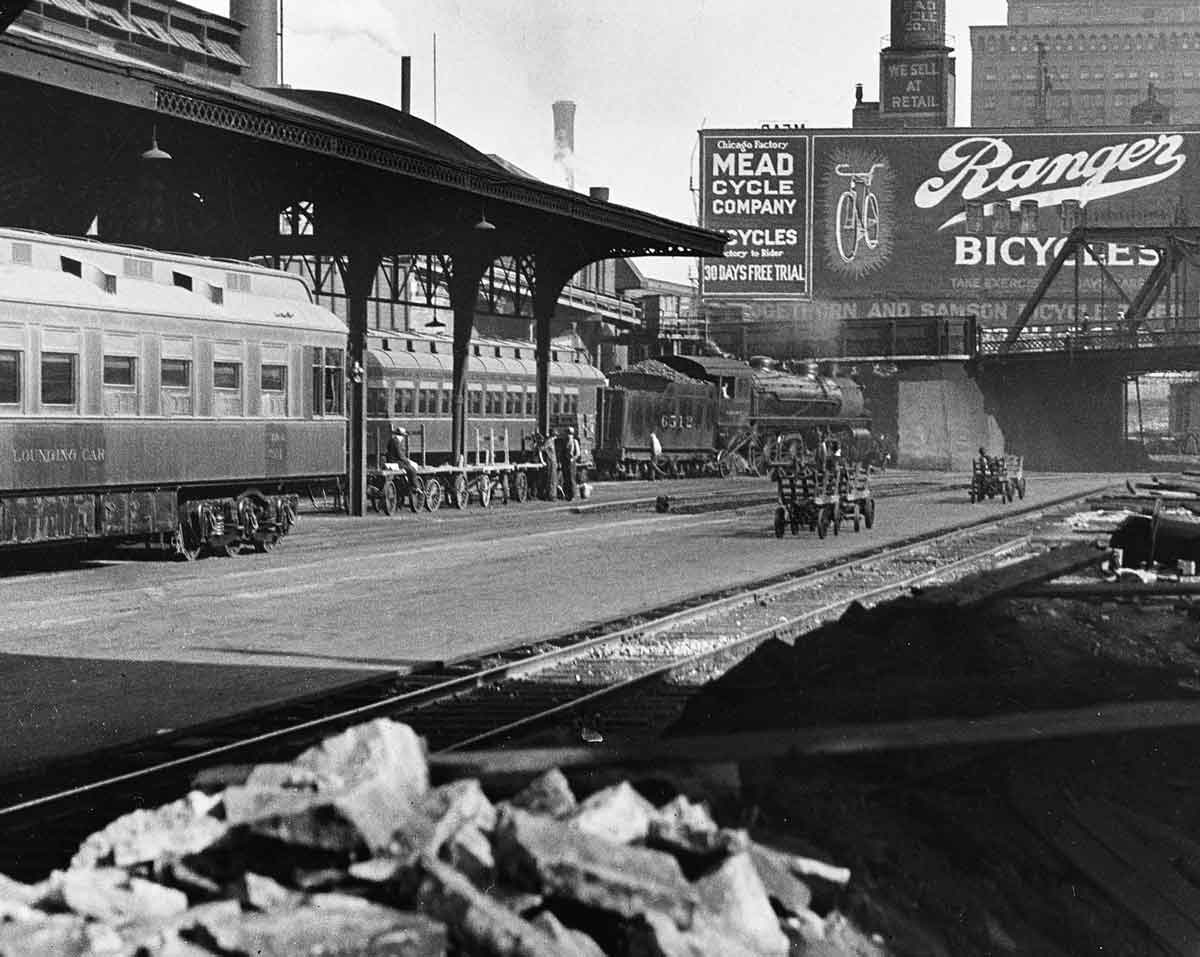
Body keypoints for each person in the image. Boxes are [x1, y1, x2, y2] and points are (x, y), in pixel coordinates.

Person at [562, 426, 582, 501]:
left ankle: (573, 495)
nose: (568, 435)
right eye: (567, 433)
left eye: (570, 433)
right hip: (565, 461)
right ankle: (567, 494)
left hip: (571, 462)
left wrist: (573, 459)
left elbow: (578, 453)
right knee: (566, 478)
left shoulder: (574, 441)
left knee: (571, 479)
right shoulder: (565, 442)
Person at [540, 428, 559, 500]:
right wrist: (542, 460)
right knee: (551, 479)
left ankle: (552, 494)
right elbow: (542, 449)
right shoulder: (549, 441)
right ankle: (551, 496)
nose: (556, 437)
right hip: (550, 461)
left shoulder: (552, 441)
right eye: (555, 435)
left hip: (553, 461)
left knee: (553, 479)